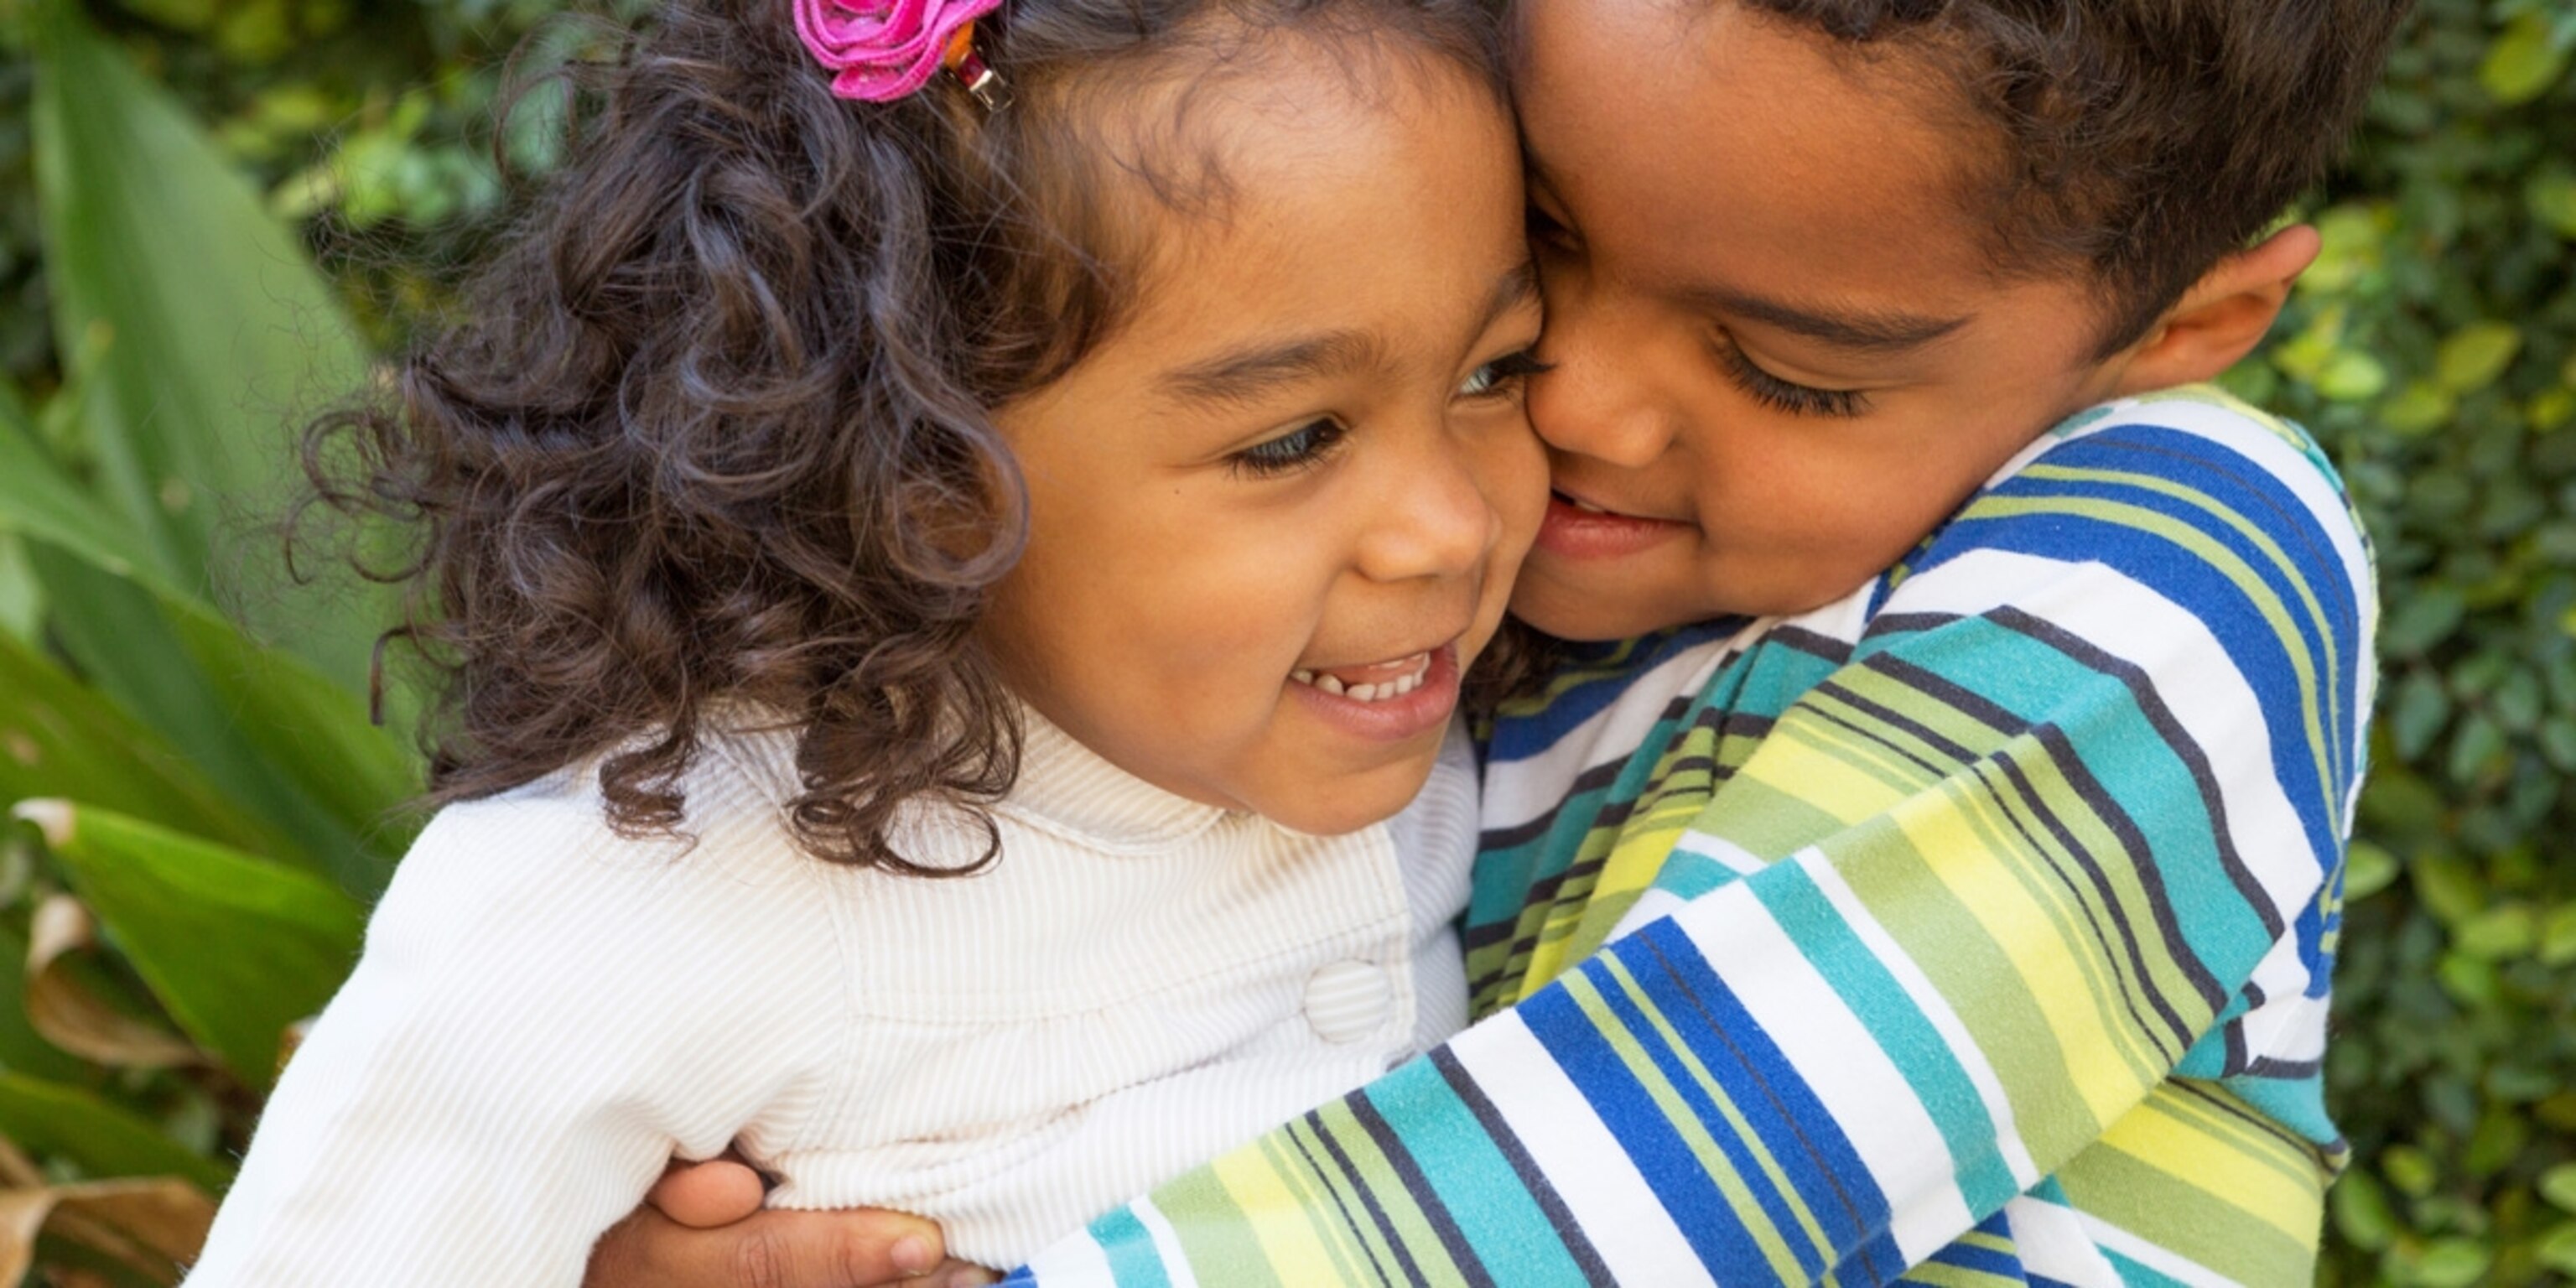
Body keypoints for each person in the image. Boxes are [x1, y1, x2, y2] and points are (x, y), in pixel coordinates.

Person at [602, 0, 2403, 1285]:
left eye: (1794, 374)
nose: (1585, 405)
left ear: (2188, 324)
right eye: (1534, 249)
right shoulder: (1431, 642)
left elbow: (1659, 1175)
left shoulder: (2186, 553)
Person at [179, 0, 1554, 1277]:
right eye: (1292, 441)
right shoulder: (652, 893)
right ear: (924, 481)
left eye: (1493, 372)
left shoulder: (1509, 694)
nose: (1448, 526)